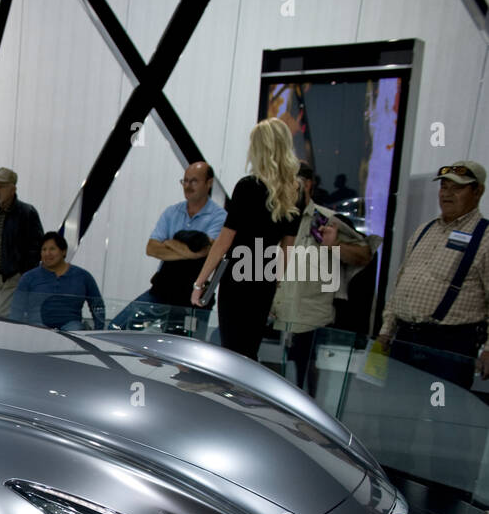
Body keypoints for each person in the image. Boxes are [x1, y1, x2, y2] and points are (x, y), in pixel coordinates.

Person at [191, 118, 301, 361]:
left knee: (232, 348)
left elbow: (224, 241)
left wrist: (200, 282)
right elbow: (287, 248)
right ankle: (242, 397)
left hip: (238, 278)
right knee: (249, 350)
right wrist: (276, 286)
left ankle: (230, 397)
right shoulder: (295, 191)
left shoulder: (247, 186)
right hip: (264, 278)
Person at [378, 160, 489, 389]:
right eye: (444, 187)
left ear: (478, 192)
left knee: (443, 418)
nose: (447, 194)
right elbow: (400, 284)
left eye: (457, 188)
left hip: (449, 348)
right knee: (396, 412)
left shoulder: (486, 237)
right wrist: (386, 331)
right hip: (405, 340)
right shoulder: (424, 230)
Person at [273, 162, 377, 394]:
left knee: (309, 394)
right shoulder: (275, 218)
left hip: (312, 325)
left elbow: (364, 255)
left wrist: (335, 245)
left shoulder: (327, 220)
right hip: (276, 321)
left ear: (307, 184)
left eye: (291, 182)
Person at [111, 161, 226, 331]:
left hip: (193, 295)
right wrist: (189, 250)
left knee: (184, 349)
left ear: (209, 183)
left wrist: (169, 243)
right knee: (116, 328)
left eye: (194, 181)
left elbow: (204, 252)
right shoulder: (171, 212)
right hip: (162, 289)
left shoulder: (220, 217)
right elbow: (151, 248)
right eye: (184, 181)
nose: (187, 186)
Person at [10, 231, 105, 330]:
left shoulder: (83, 276)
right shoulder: (28, 277)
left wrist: (99, 331)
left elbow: (97, 305)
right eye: (44, 249)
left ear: (63, 251)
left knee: (75, 329)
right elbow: (16, 309)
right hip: (37, 330)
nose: (47, 253)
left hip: (72, 331)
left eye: (52, 249)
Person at [0, 167, 43, 317]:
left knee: (2, 316)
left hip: (13, 276)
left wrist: (23, 275)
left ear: (13, 189)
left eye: (1, 187)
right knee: (1, 316)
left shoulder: (26, 212)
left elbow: (36, 247)